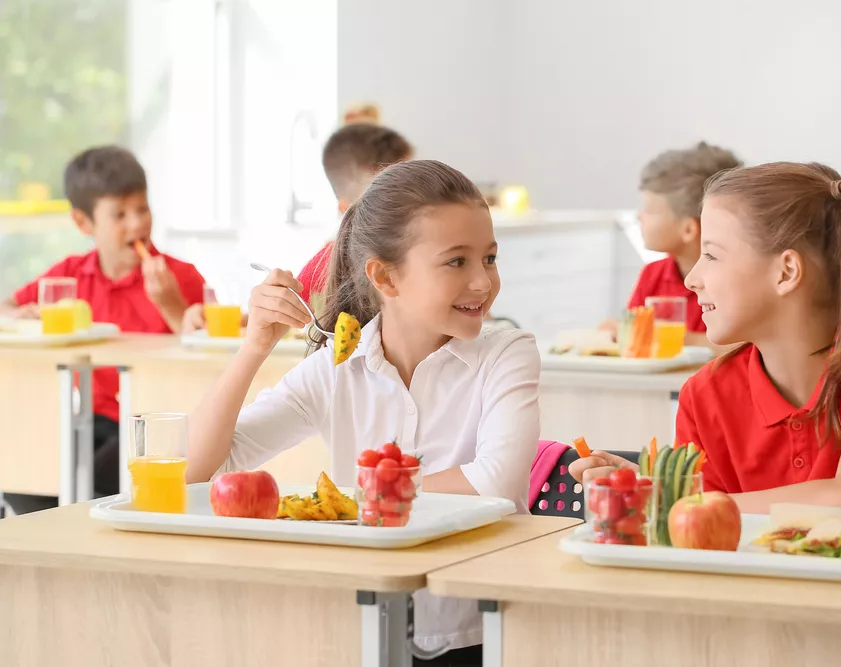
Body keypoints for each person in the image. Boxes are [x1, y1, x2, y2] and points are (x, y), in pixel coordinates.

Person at [185, 159, 540, 664]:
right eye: (457, 262)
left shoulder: (508, 353)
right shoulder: (335, 368)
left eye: (490, 258)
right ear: (385, 278)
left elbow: (495, 483)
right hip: (364, 625)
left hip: (480, 631)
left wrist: (348, 505)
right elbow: (199, 470)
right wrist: (253, 349)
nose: (483, 282)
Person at [572, 162, 841, 518]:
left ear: (786, 271)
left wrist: (676, 501)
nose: (691, 279)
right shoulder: (704, 395)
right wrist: (657, 494)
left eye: (711, 254)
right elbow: (696, 533)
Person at [0, 146, 205, 513]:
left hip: (153, 423)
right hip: (90, 419)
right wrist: (20, 315)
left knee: (88, 479)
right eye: (120, 214)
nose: (136, 223)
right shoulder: (70, 276)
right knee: (25, 470)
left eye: (142, 209)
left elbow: (207, 356)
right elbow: (8, 306)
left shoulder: (181, 276)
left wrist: (172, 305)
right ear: (84, 223)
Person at [180, 123, 413, 333]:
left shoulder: (427, 251)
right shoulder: (329, 262)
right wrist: (215, 320)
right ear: (347, 210)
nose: (413, 205)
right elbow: (286, 314)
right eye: (391, 201)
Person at [600, 142, 741, 351]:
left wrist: (678, 338)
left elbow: (751, 347)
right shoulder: (653, 275)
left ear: (688, 230)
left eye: (649, 210)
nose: (639, 217)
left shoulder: (738, 279)